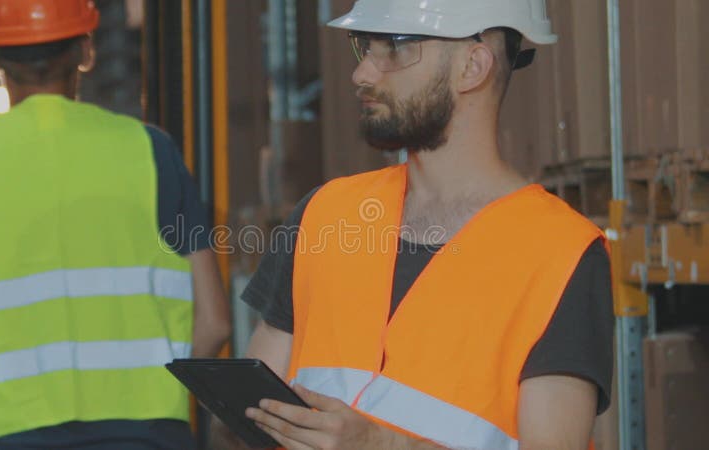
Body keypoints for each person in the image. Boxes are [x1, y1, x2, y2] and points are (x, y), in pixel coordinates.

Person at [212, 0, 614, 449]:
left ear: (472, 66)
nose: (362, 74)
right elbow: (246, 425)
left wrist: (383, 445)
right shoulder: (324, 214)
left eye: (396, 47)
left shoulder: (562, 254)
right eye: (365, 46)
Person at [0, 1, 230, 448]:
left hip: (1, 439)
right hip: (147, 437)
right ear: (86, 49)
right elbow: (215, 322)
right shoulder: (151, 151)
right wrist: (162, 405)